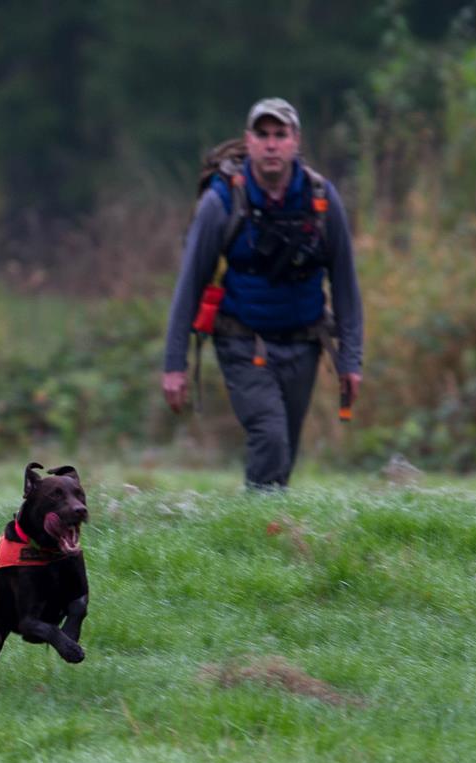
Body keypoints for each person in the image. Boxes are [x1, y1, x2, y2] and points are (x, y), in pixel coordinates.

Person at [162, 98, 363, 489]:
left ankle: (266, 533)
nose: (272, 144)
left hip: (305, 344)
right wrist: (174, 365)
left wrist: (350, 360)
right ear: (248, 141)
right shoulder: (221, 201)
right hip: (242, 341)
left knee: (283, 452)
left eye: (280, 135)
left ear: (295, 142)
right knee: (269, 437)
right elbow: (189, 284)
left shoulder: (322, 199)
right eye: (263, 135)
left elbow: (345, 285)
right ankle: (257, 533)